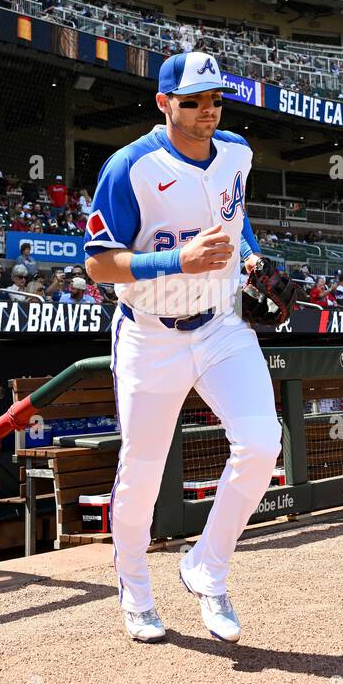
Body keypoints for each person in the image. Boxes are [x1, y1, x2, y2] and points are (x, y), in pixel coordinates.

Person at [83, 51, 281, 645]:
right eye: (192, 100)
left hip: (221, 323)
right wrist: (177, 259)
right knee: (141, 473)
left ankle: (207, 568)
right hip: (149, 333)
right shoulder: (129, 167)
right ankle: (137, 592)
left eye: (214, 99)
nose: (207, 110)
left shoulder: (238, 154)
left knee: (262, 444)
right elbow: (97, 266)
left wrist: (250, 256)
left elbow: (235, 216)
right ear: (164, 102)